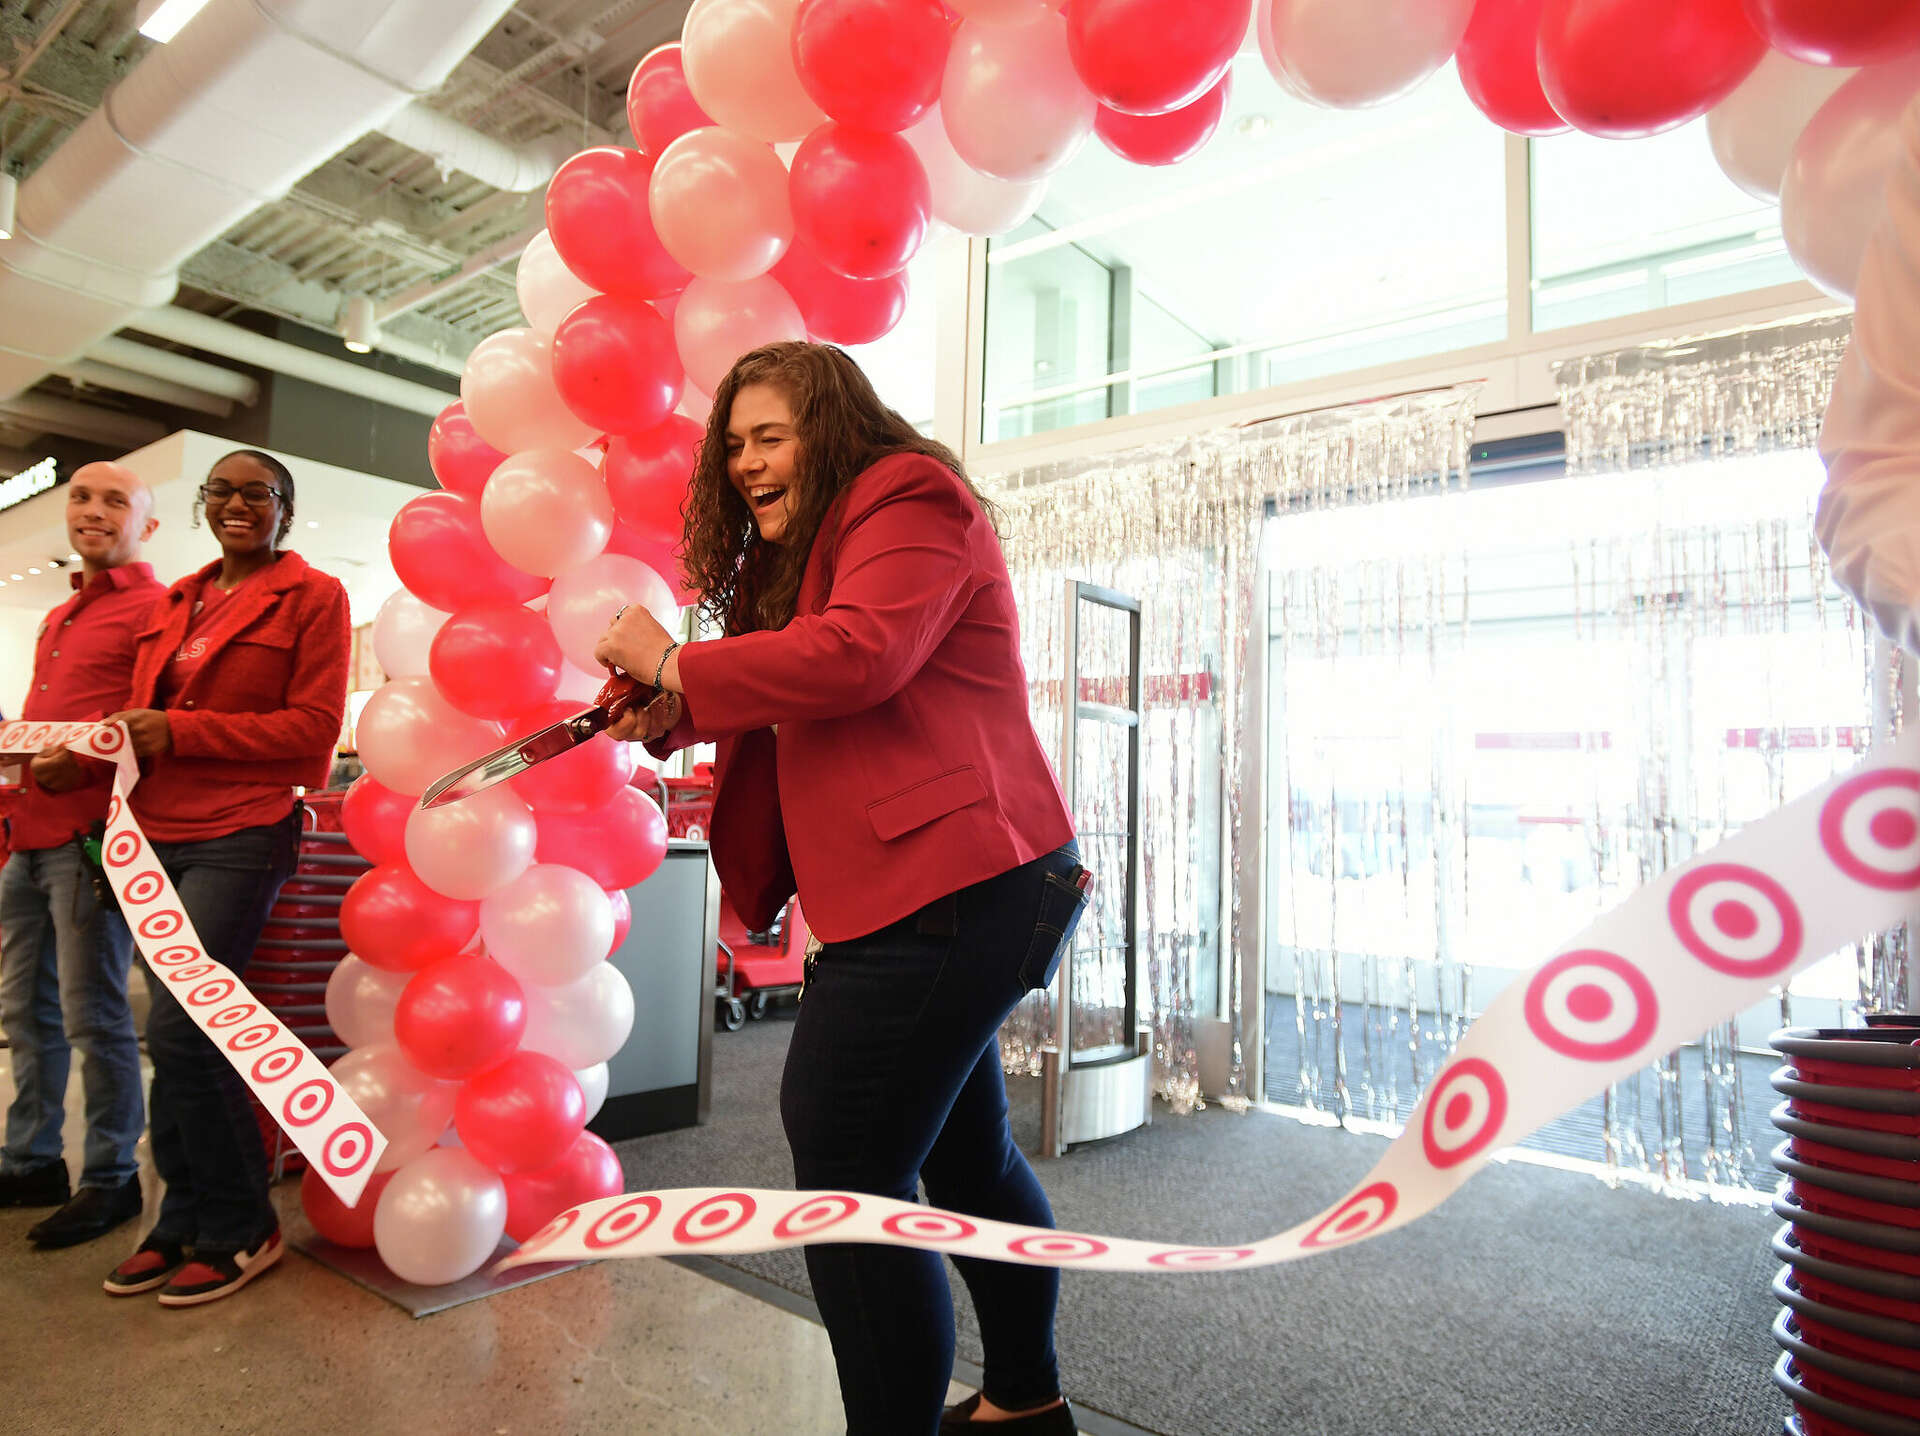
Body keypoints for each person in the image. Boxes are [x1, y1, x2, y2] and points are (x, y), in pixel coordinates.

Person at [595, 342, 1089, 1436]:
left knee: (849, 1159)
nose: (747, 462)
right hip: (926, 890)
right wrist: (672, 710)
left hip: (961, 883)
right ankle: (1025, 1397)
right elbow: (801, 681)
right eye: (732, 444)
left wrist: (677, 664)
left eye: (772, 435)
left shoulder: (909, 494)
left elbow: (858, 656)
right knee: (963, 1154)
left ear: (835, 425)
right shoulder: (812, 550)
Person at [99, 450, 349, 1307]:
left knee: (184, 1029)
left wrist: (182, 732)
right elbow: (146, 724)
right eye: (224, 491)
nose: (240, 504)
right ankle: (182, 1221)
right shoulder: (178, 600)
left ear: (286, 509)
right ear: (203, 504)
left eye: (261, 493)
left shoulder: (313, 597)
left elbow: (314, 734)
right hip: (151, 836)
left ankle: (245, 1226)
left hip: (242, 830)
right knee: (167, 1035)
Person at [0, 462, 163, 1249]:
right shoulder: (59, 618)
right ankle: (31, 1158)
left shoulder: (155, 612)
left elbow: (155, 723)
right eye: (81, 497)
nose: (93, 511)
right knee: (24, 1014)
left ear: (148, 526)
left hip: (91, 843)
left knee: (94, 1016)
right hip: (26, 839)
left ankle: (110, 1177)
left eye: (115, 501)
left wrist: (90, 765)